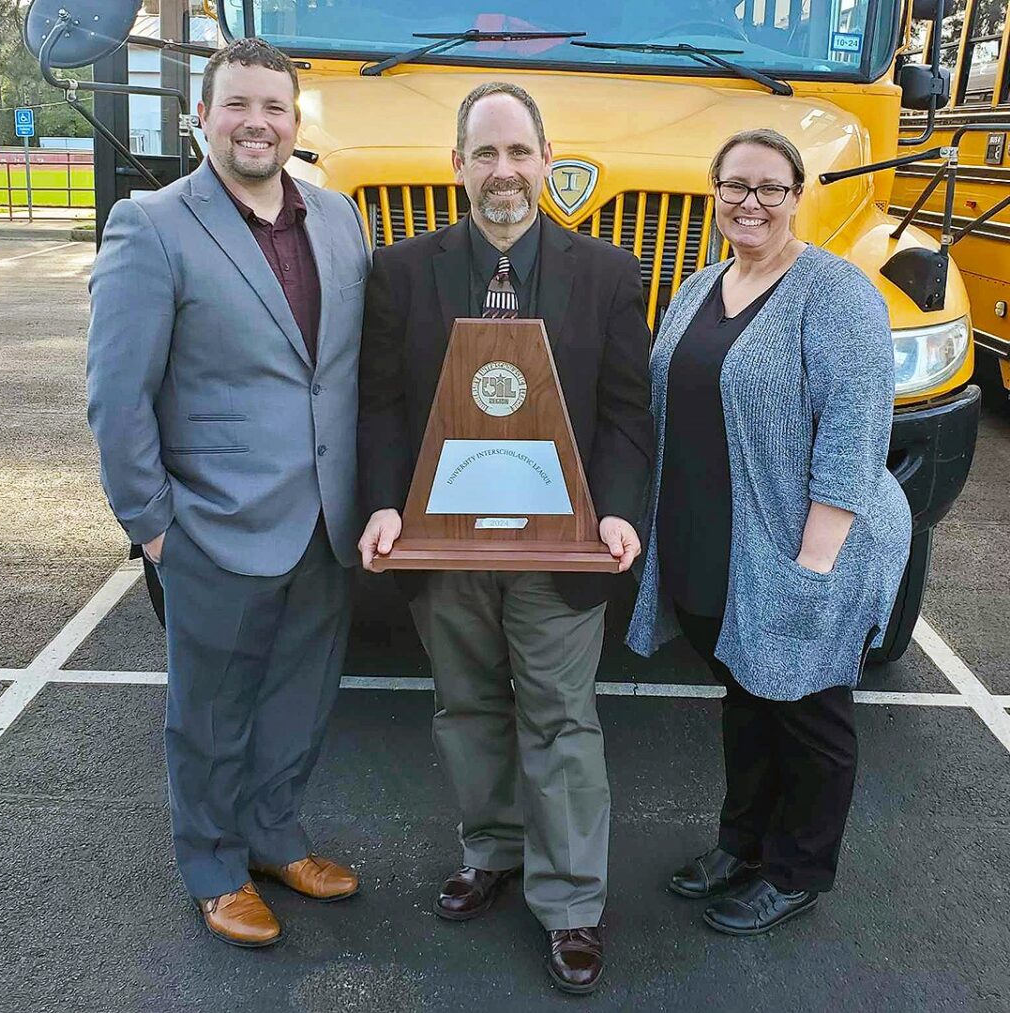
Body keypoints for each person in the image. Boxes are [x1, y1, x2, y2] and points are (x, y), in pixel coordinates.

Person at [357, 82, 653, 993]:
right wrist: (384, 503)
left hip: (560, 551)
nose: (503, 171)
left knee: (562, 719)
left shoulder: (608, 272)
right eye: (484, 153)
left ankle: (570, 905)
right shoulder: (402, 271)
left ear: (546, 159)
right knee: (469, 712)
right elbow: (380, 404)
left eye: (518, 152)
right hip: (444, 549)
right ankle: (492, 850)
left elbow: (627, 414)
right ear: (456, 165)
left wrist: (616, 510)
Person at [87, 38, 370, 948]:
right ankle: (211, 864)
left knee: (301, 695)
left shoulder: (339, 222)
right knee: (208, 712)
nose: (258, 121)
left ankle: (274, 836)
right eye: (237, 104)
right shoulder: (152, 224)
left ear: (296, 122)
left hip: (326, 516)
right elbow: (117, 393)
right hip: (209, 524)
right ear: (201, 117)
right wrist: (154, 528)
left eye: (275, 107)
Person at [628, 128, 911, 936]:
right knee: (748, 699)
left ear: (796, 196)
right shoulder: (702, 284)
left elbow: (856, 436)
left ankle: (796, 870)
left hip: (798, 553)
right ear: (714, 191)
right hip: (715, 544)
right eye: (736, 186)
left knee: (810, 716)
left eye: (770, 188)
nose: (751, 202)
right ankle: (741, 842)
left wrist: (810, 567)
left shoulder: (836, 293)